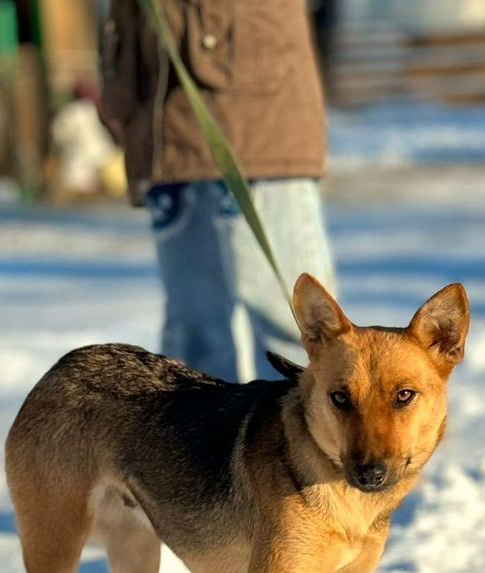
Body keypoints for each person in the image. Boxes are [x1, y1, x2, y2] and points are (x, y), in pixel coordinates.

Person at [101, 0, 335, 382]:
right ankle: (196, 444)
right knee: (192, 347)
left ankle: (301, 443)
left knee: (297, 335)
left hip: (257, 116)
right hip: (165, 126)